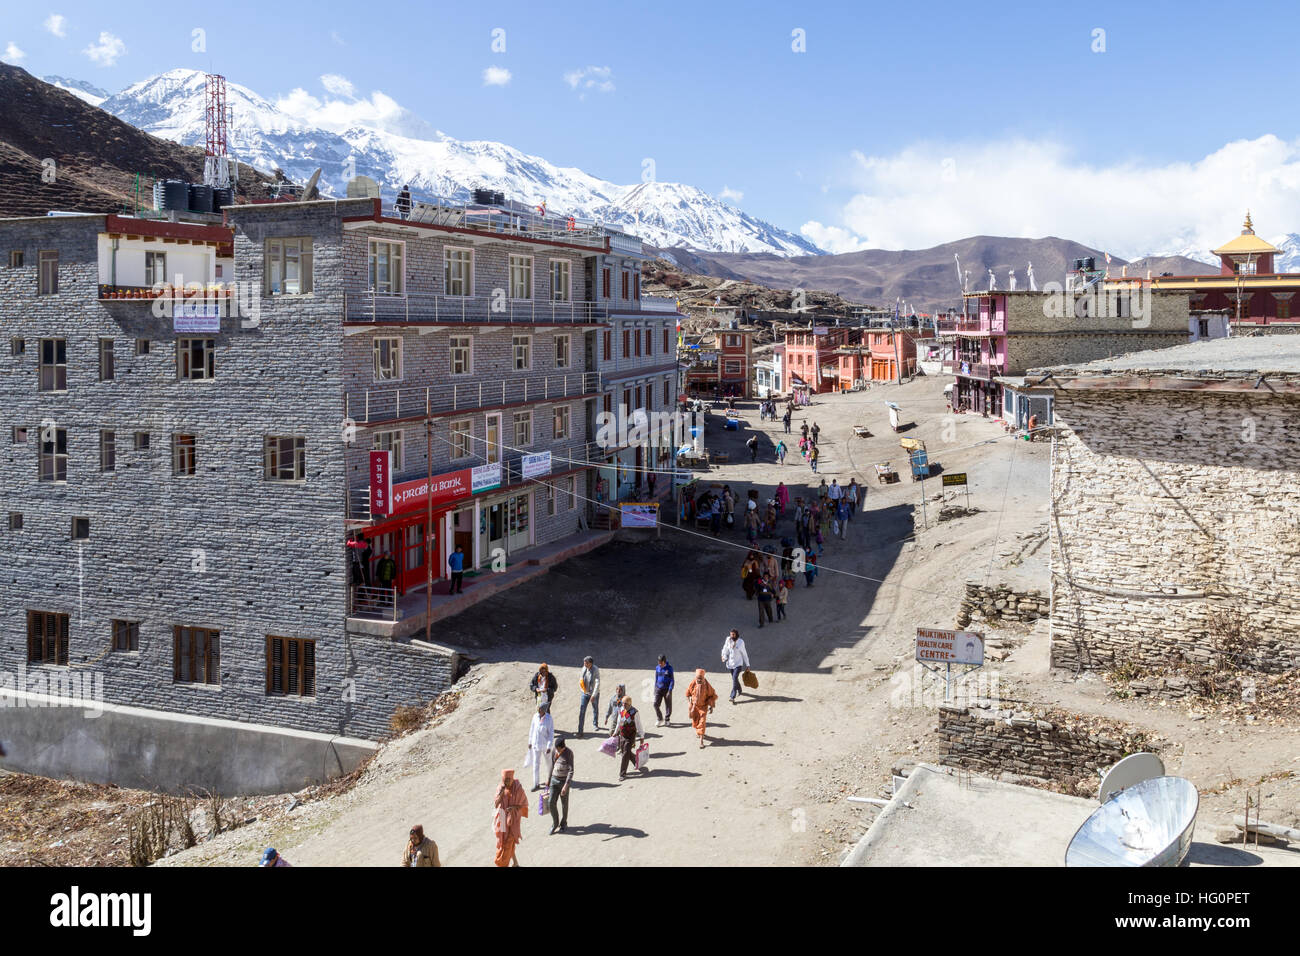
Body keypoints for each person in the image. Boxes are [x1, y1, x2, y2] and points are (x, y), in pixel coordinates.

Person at [493, 769, 529, 867]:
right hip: (503, 819)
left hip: (513, 820)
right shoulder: (500, 788)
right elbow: (496, 804)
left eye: (509, 779)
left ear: (512, 778)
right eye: (505, 779)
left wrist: (513, 808)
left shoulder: (518, 788)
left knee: (510, 841)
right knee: (504, 842)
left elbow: (523, 804)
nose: (507, 782)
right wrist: (501, 793)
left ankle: (503, 863)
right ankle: (515, 863)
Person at [612, 695, 646, 781]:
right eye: (622, 703)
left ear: (629, 703)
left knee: (625, 753)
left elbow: (639, 725)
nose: (623, 705)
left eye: (625, 704)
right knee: (625, 751)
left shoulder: (635, 712)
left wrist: (642, 737)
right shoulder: (622, 710)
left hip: (630, 736)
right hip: (622, 735)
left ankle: (622, 774)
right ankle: (636, 762)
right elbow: (619, 722)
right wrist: (615, 732)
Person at [685, 668, 718, 748]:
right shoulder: (693, 683)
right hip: (694, 707)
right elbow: (687, 694)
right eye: (698, 678)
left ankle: (701, 741)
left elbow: (712, 696)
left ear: (703, 678)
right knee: (696, 722)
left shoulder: (707, 685)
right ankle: (699, 732)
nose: (699, 680)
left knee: (702, 723)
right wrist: (690, 704)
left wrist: (711, 706)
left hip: (703, 707)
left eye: (701, 679)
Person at [525, 701, 555, 791]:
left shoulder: (549, 719)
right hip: (535, 744)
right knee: (536, 764)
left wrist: (549, 746)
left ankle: (551, 780)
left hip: (545, 746)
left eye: (540, 708)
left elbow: (551, 734)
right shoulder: (535, 717)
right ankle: (536, 783)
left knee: (549, 763)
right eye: (538, 708)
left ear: (544, 710)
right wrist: (530, 741)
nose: (538, 710)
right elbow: (532, 729)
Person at [548, 738, 574, 834]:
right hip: (554, 780)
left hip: (563, 782)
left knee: (564, 804)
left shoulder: (569, 753)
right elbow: (552, 765)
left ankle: (563, 824)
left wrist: (565, 786)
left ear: (562, 747)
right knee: (551, 802)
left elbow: (571, 771)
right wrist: (548, 779)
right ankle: (555, 823)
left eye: (558, 748)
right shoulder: (554, 751)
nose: (556, 750)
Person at [721, 630, 750, 703]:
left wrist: (747, 665)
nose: (731, 636)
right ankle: (739, 689)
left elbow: (744, 654)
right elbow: (725, 649)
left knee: (734, 678)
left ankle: (732, 696)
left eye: (733, 635)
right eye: (731, 634)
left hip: (738, 664)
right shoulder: (728, 639)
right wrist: (723, 656)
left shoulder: (741, 642)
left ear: (736, 635)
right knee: (735, 679)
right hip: (730, 664)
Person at [578, 656, 601, 737]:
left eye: (586, 663)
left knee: (595, 708)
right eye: (584, 662)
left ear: (590, 663)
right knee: (582, 711)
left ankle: (595, 724)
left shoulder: (595, 669)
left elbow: (597, 683)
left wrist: (593, 695)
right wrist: (582, 690)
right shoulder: (584, 668)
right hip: (585, 693)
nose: (584, 664)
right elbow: (581, 679)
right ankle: (580, 731)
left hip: (594, 694)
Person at [653, 655, 675, 727]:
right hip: (658, 689)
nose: (659, 664)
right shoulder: (657, 668)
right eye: (658, 662)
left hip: (667, 689)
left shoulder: (669, 668)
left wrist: (670, 690)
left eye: (661, 663)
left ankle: (667, 719)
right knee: (655, 704)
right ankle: (660, 719)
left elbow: (672, 680)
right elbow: (656, 678)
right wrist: (655, 688)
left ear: (664, 662)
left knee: (668, 705)